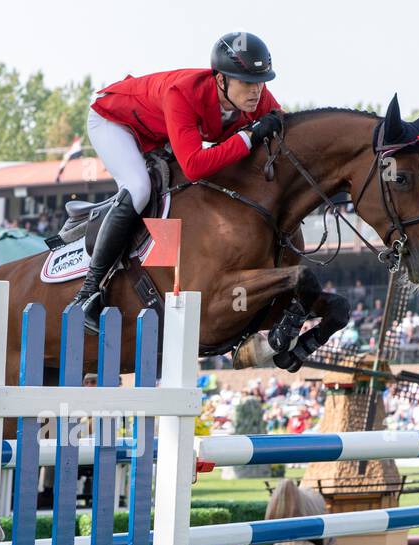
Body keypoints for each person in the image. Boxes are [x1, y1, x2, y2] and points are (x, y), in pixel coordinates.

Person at [70, 32, 282, 332]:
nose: (256, 91)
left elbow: (282, 131)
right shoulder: (183, 93)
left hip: (159, 132)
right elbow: (195, 166)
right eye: (247, 83)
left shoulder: (254, 97)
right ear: (221, 79)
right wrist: (247, 138)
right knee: (139, 188)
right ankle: (87, 292)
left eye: (261, 82)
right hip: (114, 123)